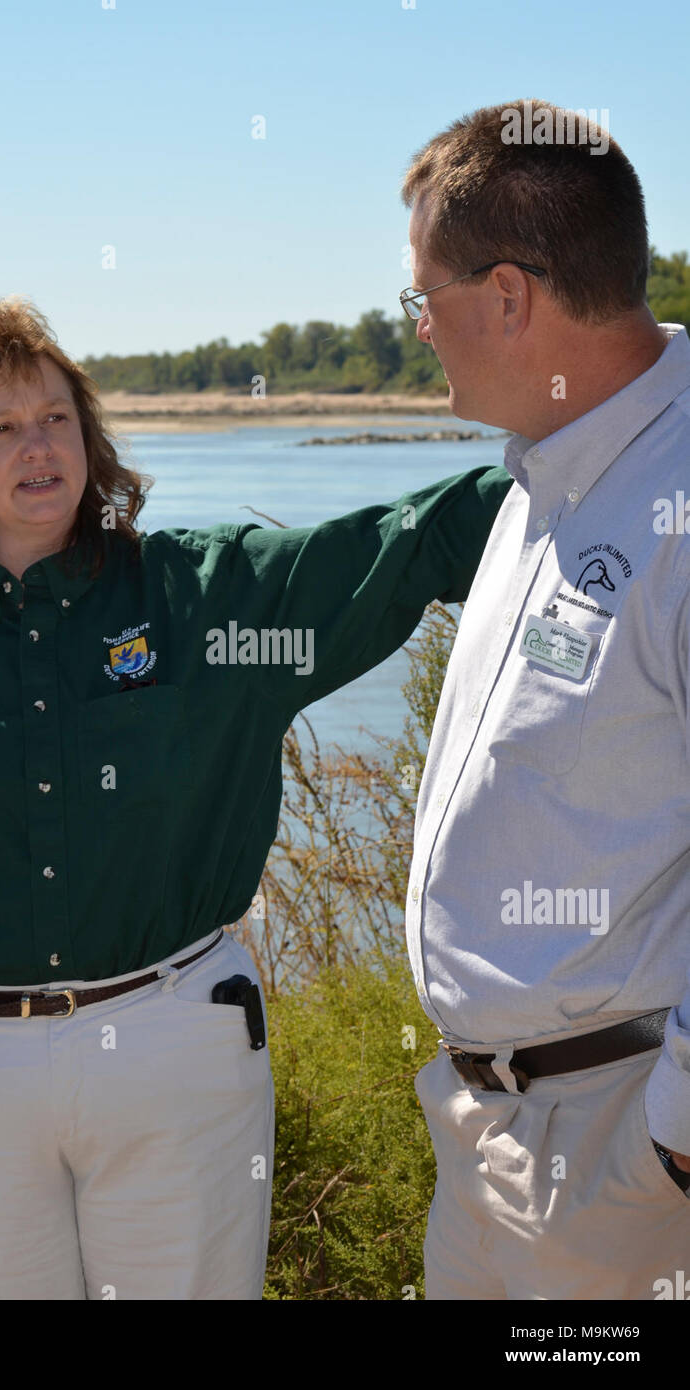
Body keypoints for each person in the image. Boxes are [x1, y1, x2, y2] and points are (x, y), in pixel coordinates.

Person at [0, 290, 510, 1300]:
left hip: (173, 1045)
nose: (37, 447)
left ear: (89, 438)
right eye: (2, 428)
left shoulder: (200, 597)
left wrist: (589, 451)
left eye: (56, 419)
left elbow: (395, 547)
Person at [399, 98, 690, 1300]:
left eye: (422, 297)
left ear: (508, 296)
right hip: (482, 1139)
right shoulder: (544, 468)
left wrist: (667, 1148)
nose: (417, 329)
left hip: (616, 1156)